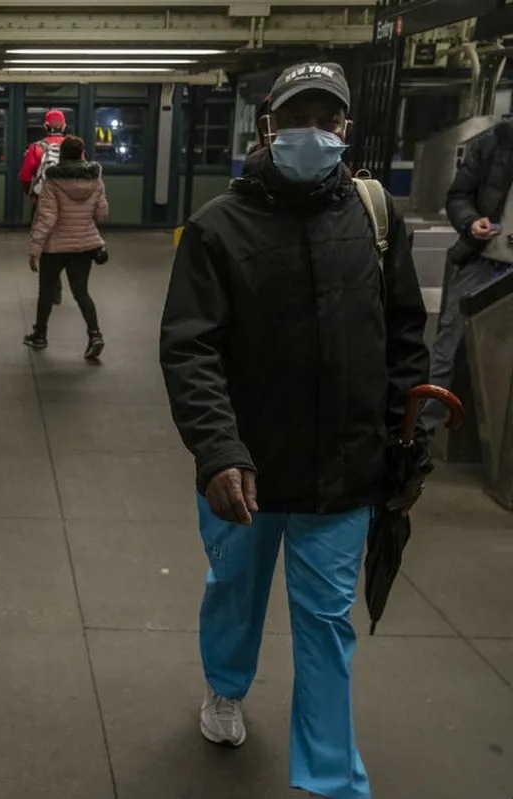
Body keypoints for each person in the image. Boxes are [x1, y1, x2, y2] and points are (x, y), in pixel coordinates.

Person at [159, 62, 430, 799]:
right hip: (244, 470)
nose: (314, 131)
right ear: (268, 127)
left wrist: (408, 442)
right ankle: (225, 686)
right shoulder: (218, 229)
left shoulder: (374, 220)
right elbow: (191, 347)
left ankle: (333, 780)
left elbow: (405, 333)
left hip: (343, 472)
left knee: (325, 625)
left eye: (328, 119)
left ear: (344, 129)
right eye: (299, 117)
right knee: (235, 593)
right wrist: (216, 448)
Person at [424, 119, 513, 430]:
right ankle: (428, 428)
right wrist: (471, 222)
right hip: (482, 262)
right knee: (448, 344)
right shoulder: (494, 143)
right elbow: (459, 195)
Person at [24, 135, 108, 361]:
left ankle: (40, 335)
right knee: (81, 292)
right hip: (85, 246)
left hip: (55, 247)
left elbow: (47, 218)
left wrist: (35, 248)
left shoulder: (53, 181)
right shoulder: (96, 180)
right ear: (82, 154)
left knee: (46, 291)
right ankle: (95, 335)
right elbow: (101, 213)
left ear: (61, 155)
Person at [20, 108, 69, 304]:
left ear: (45, 126)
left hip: (43, 204)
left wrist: (31, 194)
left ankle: (50, 289)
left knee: (45, 245)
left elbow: (24, 176)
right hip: (67, 206)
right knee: (66, 245)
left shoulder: (36, 148)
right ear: (64, 126)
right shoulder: (74, 147)